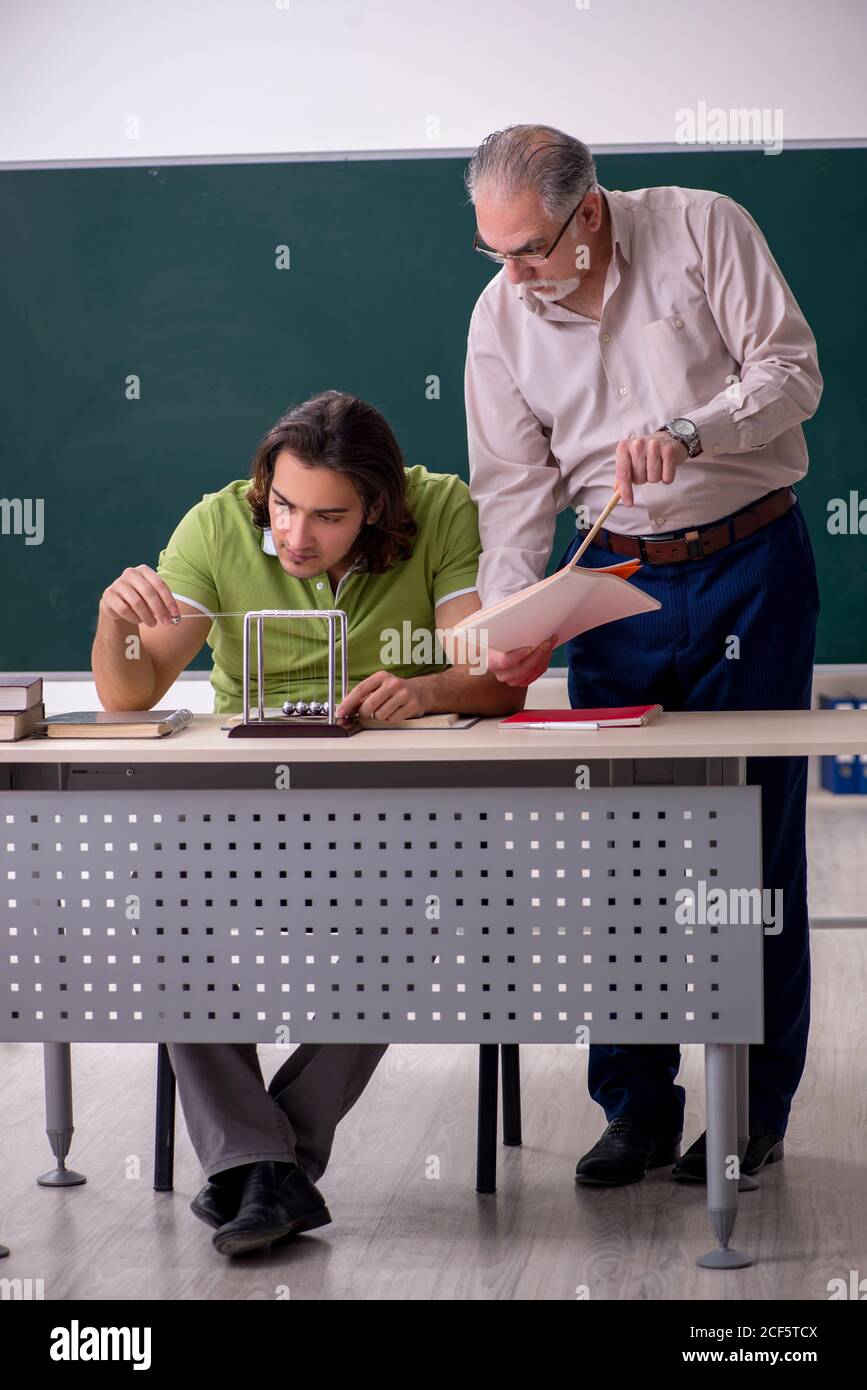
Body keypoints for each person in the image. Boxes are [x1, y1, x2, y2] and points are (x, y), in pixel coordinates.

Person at [463, 124, 822, 1187]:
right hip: (610, 585)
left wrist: (694, 430)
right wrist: (511, 623)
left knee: (751, 847)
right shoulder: (498, 317)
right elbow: (512, 494)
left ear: (588, 211)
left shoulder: (704, 227)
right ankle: (636, 1107)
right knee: (622, 856)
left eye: (529, 249)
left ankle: (750, 1110)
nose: (514, 275)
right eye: (494, 252)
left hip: (749, 561)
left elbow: (791, 373)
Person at [91, 389, 522, 1253]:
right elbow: (128, 695)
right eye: (284, 506)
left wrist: (425, 690)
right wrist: (117, 621)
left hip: (390, 809)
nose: (294, 535)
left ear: (379, 506)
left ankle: (254, 1163)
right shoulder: (218, 526)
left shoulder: (440, 510)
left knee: (422, 908)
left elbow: (494, 677)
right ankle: (270, 1169)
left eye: (328, 516)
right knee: (164, 903)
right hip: (242, 803)